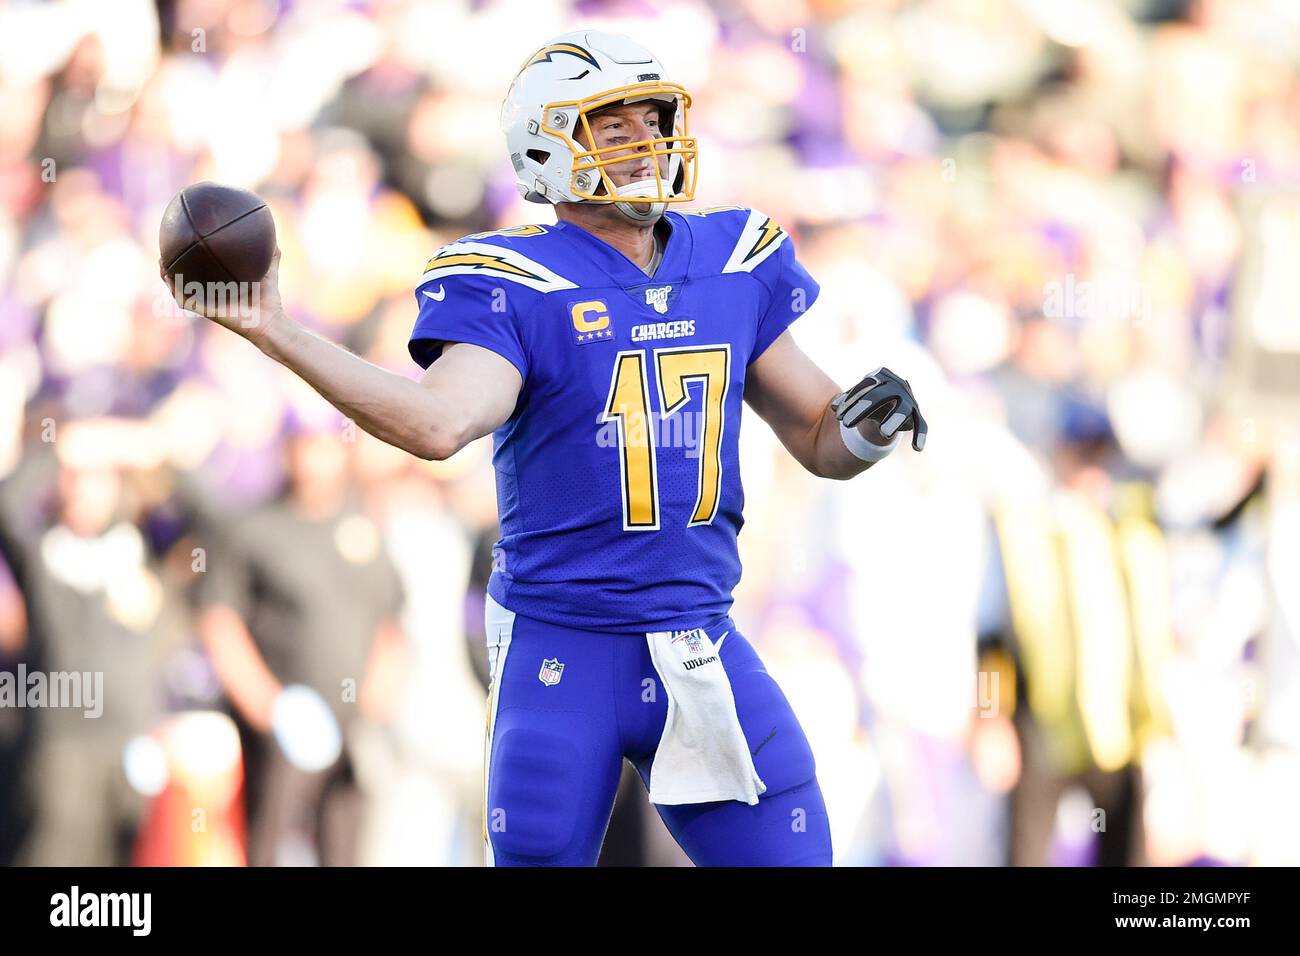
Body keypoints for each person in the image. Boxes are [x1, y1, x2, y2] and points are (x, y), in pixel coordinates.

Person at [163, 30, 927, 867]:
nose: (645, 140)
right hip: (565, 649)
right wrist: (276, 331)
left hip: (701, 635)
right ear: (548, 143)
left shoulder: (732, 258)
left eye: (653, 115)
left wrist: (868, 425)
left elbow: (821, 439)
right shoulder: (513, 278)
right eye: (614, 123)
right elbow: (435, 423)